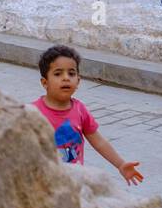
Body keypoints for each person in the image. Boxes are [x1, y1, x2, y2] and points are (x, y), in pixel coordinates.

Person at [33, 44, 143, 184]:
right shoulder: (33, 112)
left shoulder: (80, 110)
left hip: (74, 183)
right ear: (45, 82)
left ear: (78, 81)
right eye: (58, 73)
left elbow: (99, 142)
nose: (66, 78)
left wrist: (121, 164)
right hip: (43, 182)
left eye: (71, 73)